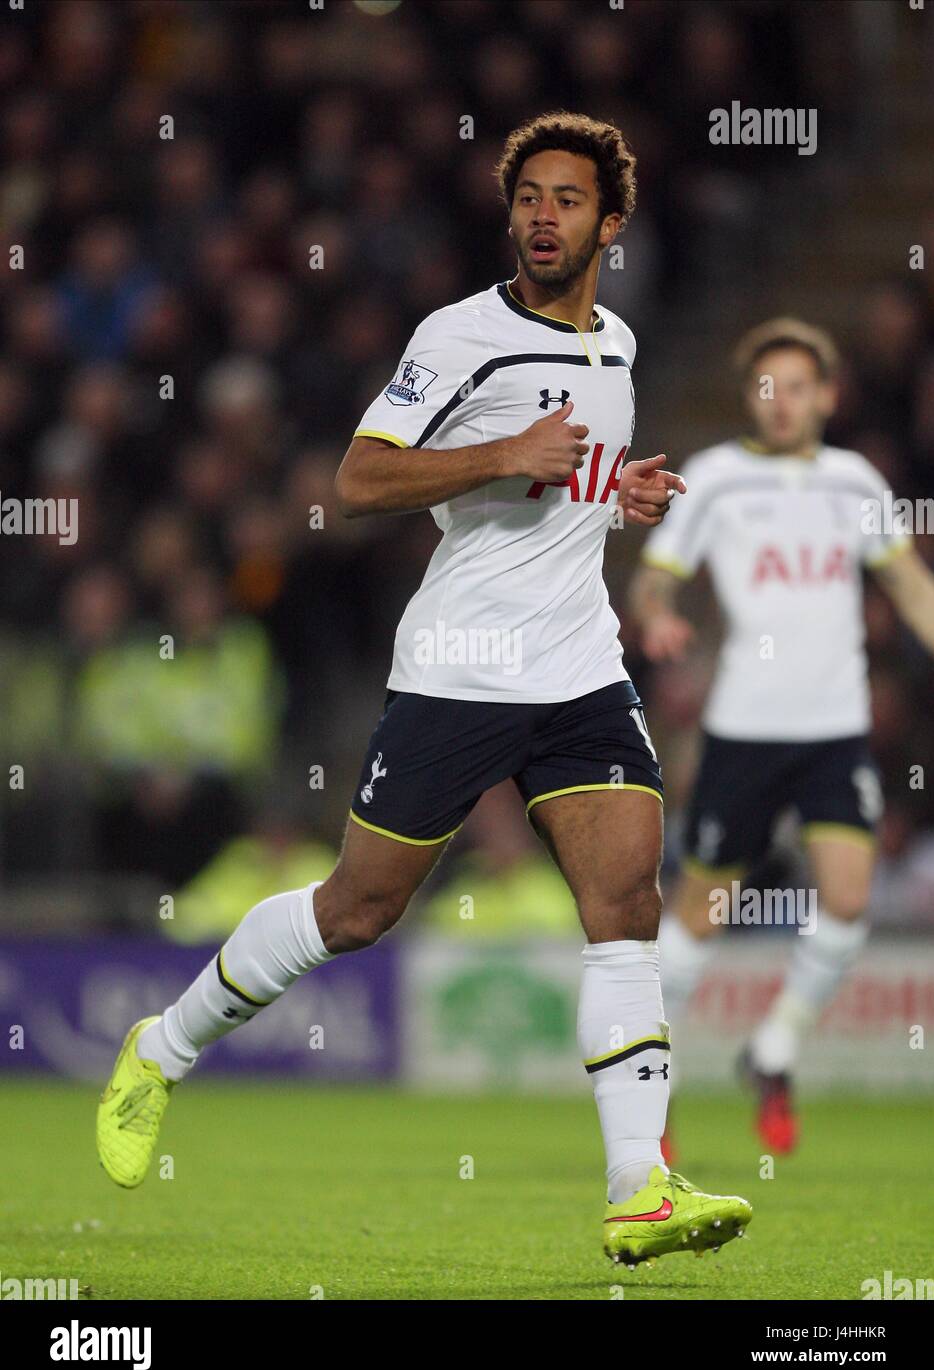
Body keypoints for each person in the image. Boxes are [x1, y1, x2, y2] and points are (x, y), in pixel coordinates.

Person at [98, 112, 752, 1269]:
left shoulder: (624, 348)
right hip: (462, 664)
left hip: (580, 665)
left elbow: (562, 483)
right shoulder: (458, 336)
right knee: (357, 910)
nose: (543, 216)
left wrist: (615, 487)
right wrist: (506, 455)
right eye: (529, 197)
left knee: (625, 906)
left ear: (613, 219)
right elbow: (358, 476)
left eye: (567, 199)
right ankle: (163, 1044)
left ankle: (637, 1187)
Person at [631, 317, 934, 1157]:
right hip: (746, 728)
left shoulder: (856, 482)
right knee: (703, 910)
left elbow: (908, 582)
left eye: (798, 385)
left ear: (828, 396)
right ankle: (648, 1087)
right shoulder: (716, 478)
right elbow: (657, 575)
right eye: (767, 387)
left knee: (846, 898)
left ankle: (773, 1048)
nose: (782, 402)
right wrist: (655, 618)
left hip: (834, 730)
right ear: (749, 399)